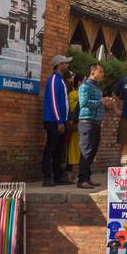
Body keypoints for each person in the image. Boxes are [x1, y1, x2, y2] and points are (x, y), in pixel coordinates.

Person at [42, 54, 72, 186]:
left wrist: (67, 119)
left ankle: (57, 176)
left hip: (61, 121)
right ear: (60, 65)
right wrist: (59, 121)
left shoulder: (60, 80)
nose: (67, 65)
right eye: (65, 63)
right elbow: (54, 102)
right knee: (51, 148)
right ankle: (47, 177)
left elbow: (64, 102)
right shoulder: (54, 79)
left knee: (59, 150)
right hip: (53, 121)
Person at [75, 64, 105, 189]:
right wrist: (101, 102)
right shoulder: (85, 86)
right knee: (86, 151)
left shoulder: (97, 88)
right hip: (87, 123)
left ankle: (87, 178)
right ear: (93, 72)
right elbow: (84, 103)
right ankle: (82, 180)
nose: (103, 74)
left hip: (96, 123)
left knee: (92, 151)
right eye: (101, 72)